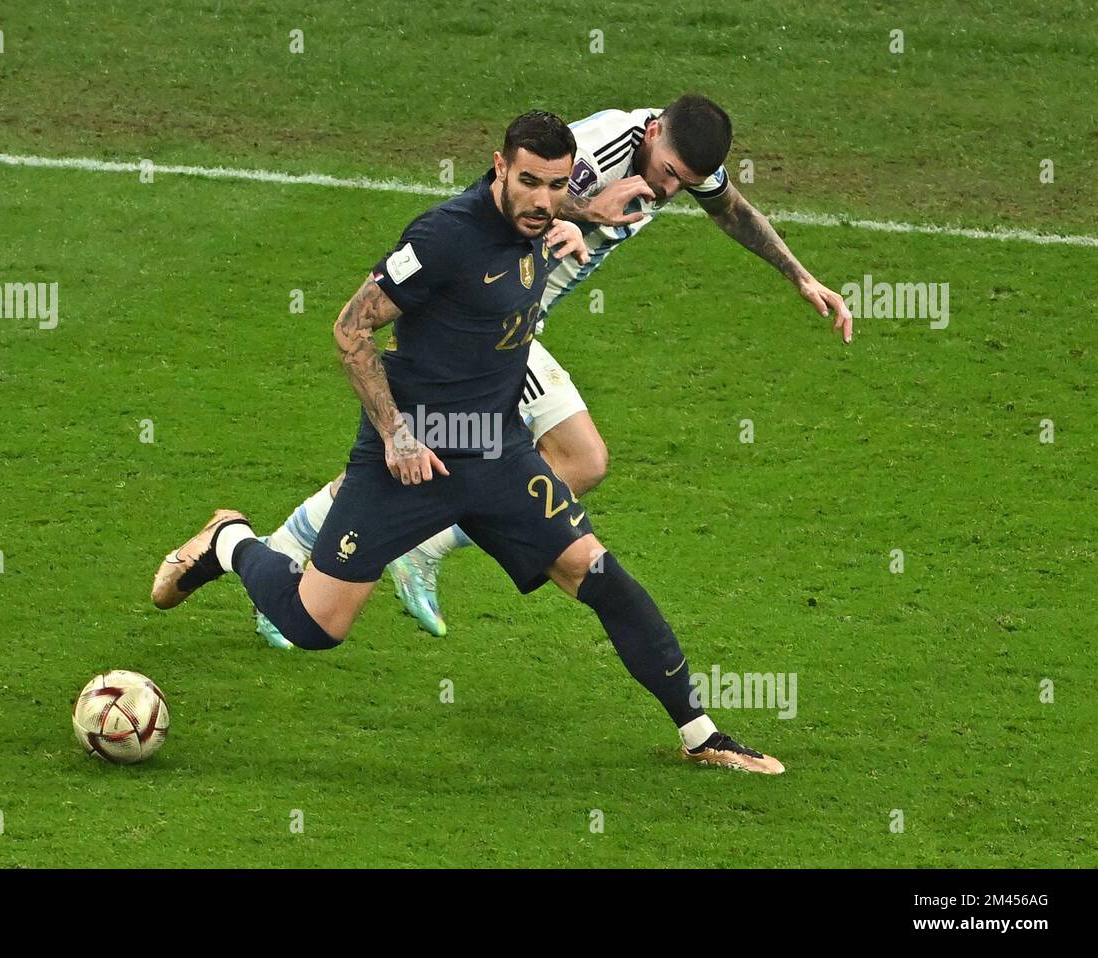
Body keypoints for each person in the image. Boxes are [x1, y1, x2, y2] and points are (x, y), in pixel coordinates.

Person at [151, 110, 784, 774]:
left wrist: (589, 212)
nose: (543, 201)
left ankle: (701, 735)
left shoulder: (552, 220)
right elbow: (349, 329)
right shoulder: (443, 238)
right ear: (500, 167)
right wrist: (395, 434)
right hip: (412, 457)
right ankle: (230, 541)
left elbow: (574, 208)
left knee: (602, 576)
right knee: (316, 627)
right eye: (531, 182)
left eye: (558, 185)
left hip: (498, 452)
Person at [259, 95, 853, 645]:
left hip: (519, 323)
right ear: (651, 133)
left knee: (467, 460)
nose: (669, 190)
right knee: (564, 457)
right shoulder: (601, 148)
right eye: (669, 172)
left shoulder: (678, 150)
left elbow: (731, 209)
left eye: (684, 183)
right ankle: (317, 550)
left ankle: (385, 542)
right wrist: (586, 209)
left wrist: (800, 276)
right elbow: (527, 196)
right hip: (493, 329)